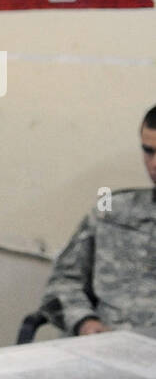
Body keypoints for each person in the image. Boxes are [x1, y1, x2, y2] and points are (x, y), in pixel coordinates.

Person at [40, 104, 156, 334]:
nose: (154, 165)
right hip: (106, 349)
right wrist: (85, 322)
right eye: (148, 151)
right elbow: (62, 283)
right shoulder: (113, 212)